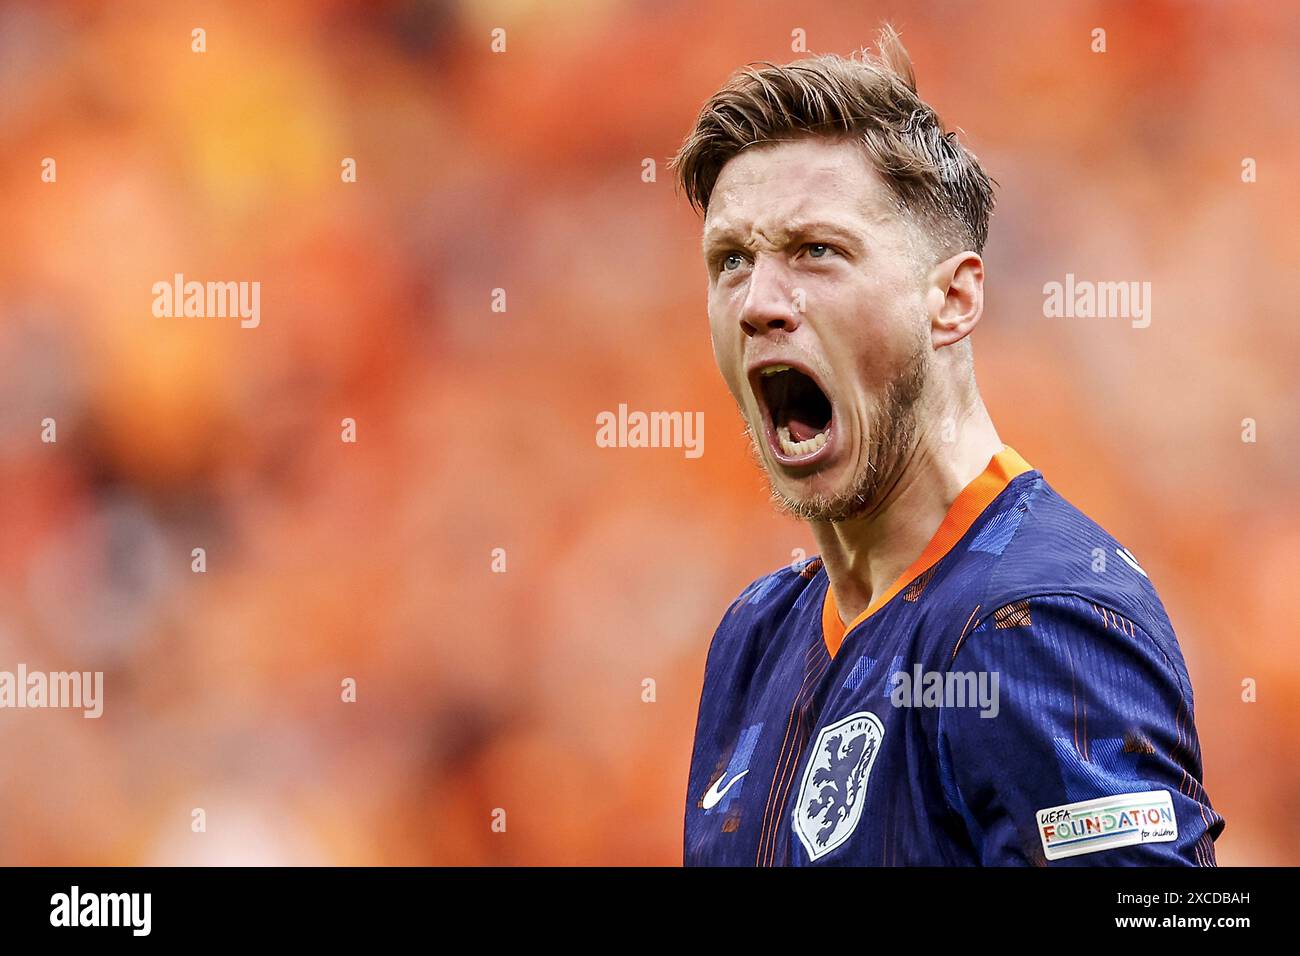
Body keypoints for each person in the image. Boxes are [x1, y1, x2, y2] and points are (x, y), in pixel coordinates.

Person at [671, 25, 1224, 865]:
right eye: (732, 261)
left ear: (953, 299)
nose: (759, 301)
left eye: (816, 251)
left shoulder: (1035, 623)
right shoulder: (755, 636)